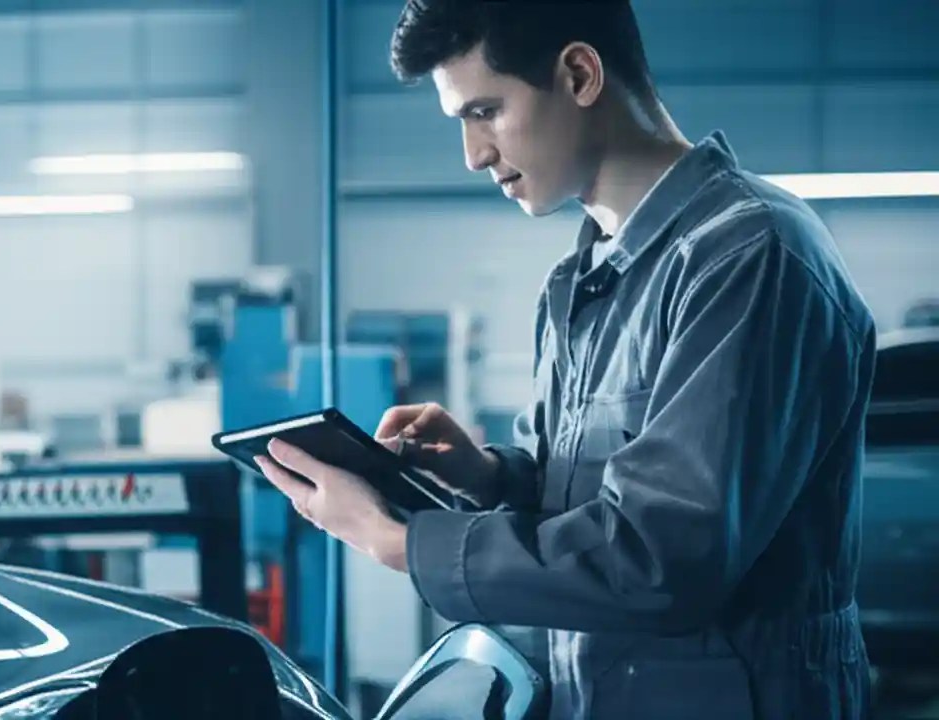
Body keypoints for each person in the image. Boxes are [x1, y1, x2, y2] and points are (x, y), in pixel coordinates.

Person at [253, 1, 877, 718]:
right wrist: (487, 476)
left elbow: (660, 558)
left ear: (580, 74)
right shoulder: (583, 279)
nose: (473, 154)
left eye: (485, 111)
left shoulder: (750, 257)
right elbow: (602, 502)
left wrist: (401, 543)